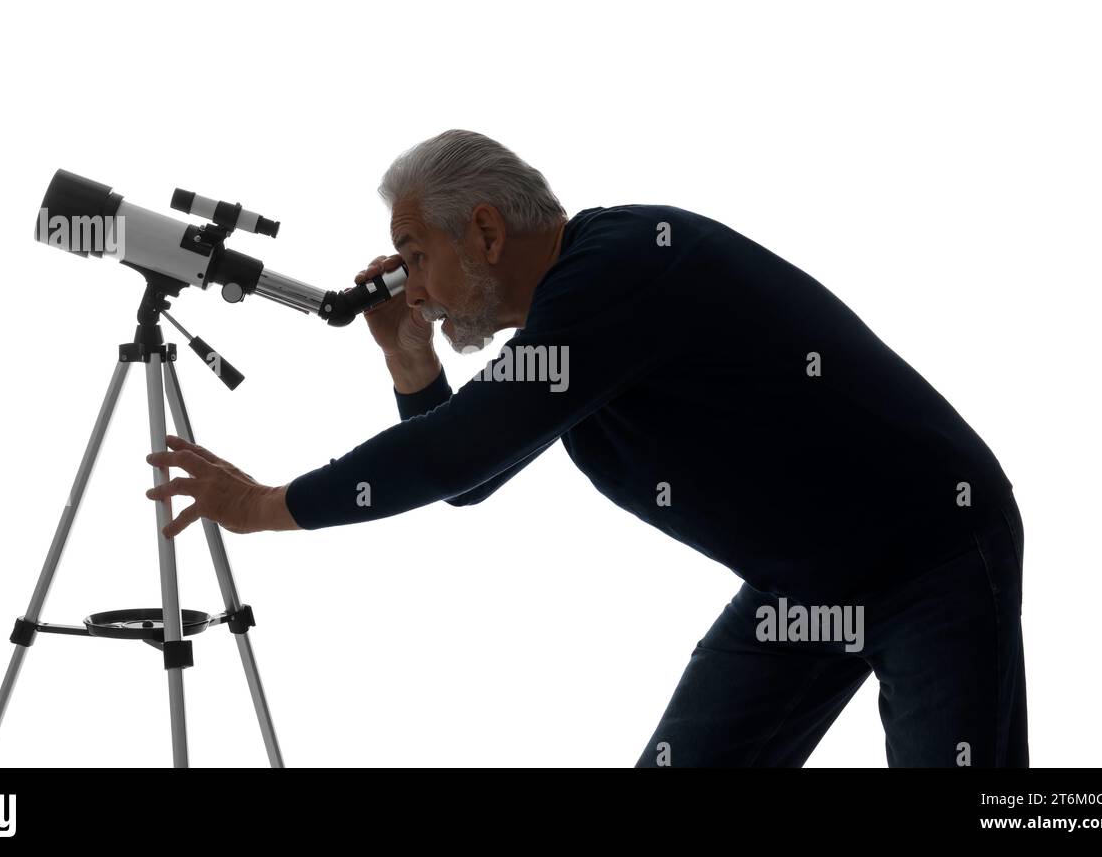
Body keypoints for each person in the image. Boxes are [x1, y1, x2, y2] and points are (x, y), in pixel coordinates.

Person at [145, 129, 1027, 767]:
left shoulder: (622, 271)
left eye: (414, 255)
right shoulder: (568, 329)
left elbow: (458, 454)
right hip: (805, 585)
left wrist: (263, 507)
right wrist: (410, 360)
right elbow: (470, 477)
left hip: (930, 558)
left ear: (485, 233)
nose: (413, 285)